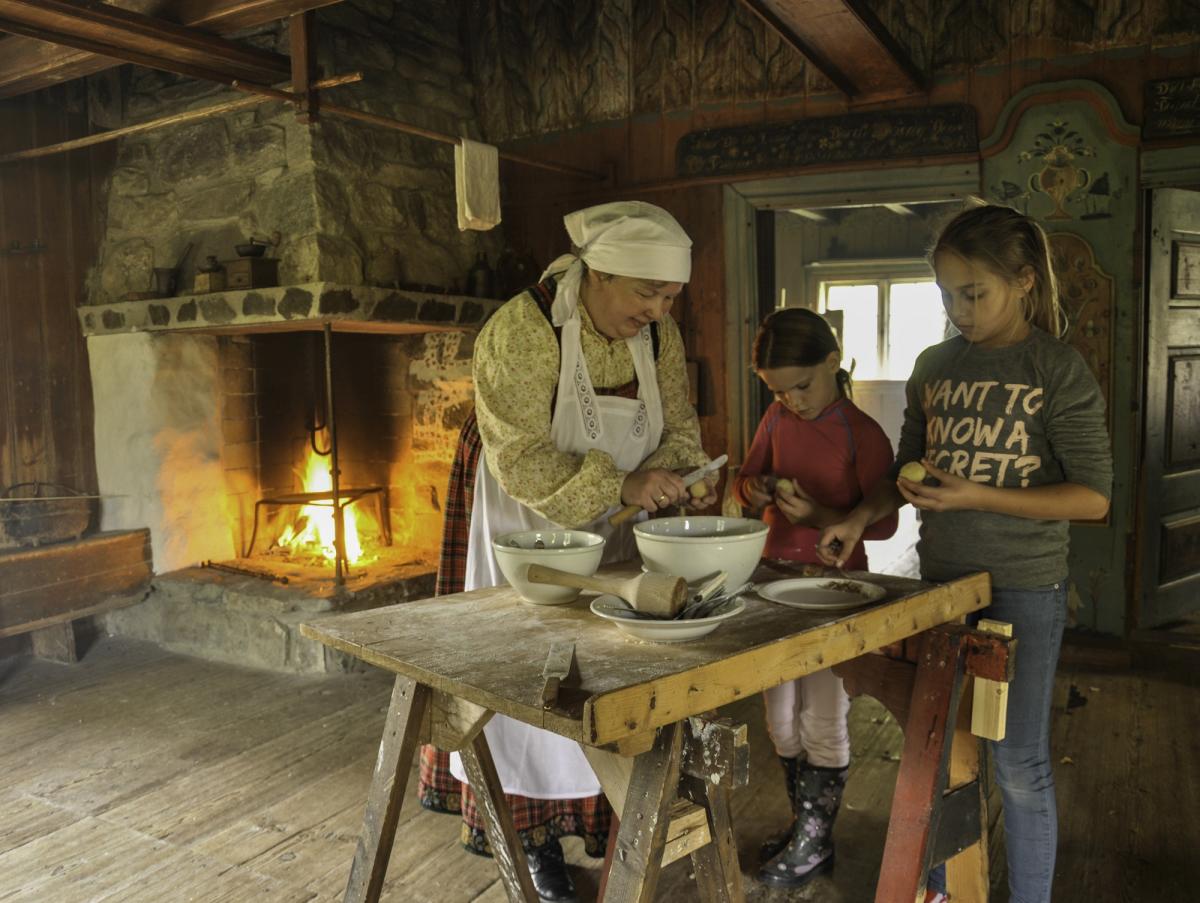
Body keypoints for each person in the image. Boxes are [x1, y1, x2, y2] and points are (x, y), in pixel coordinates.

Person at [418, 201, 717, 903]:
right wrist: (621, 484)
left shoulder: (657, 333)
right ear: (599, 274)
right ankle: (533, 844)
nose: (659, 312)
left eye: (670, 297)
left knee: (605, 662)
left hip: (618, 517)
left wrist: (676, 475)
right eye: (648, 293)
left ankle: (611, 821)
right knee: (526, 670)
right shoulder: (522, 330)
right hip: (522, 513)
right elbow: (521, 458)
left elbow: (677, 422)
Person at [817, 203, 1112, 903]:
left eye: (974, 293)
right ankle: (946, 888)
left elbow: (1092, 498)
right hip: (942, 589)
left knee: (1018, 763)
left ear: (1025, 281)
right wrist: (858, 517)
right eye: (947, 294)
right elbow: (908, 471)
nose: (958, 311)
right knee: (945, 749)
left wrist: (978, 495)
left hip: (1024, 588)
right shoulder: (934, 365)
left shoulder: (1055, 368)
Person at [733, 307, 897, 888]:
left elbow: (883, 525)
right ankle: (806, 828)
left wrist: (820, 515)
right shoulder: (776, 419)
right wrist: (754, 488)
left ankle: (813, 841)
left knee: (822, 717)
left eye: (801, 386)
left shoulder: (863, 432)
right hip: (772, 585)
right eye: (778, 391)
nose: (792, 401)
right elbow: (743, 482)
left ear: (833, 361)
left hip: (836, 591)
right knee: (780, 720)